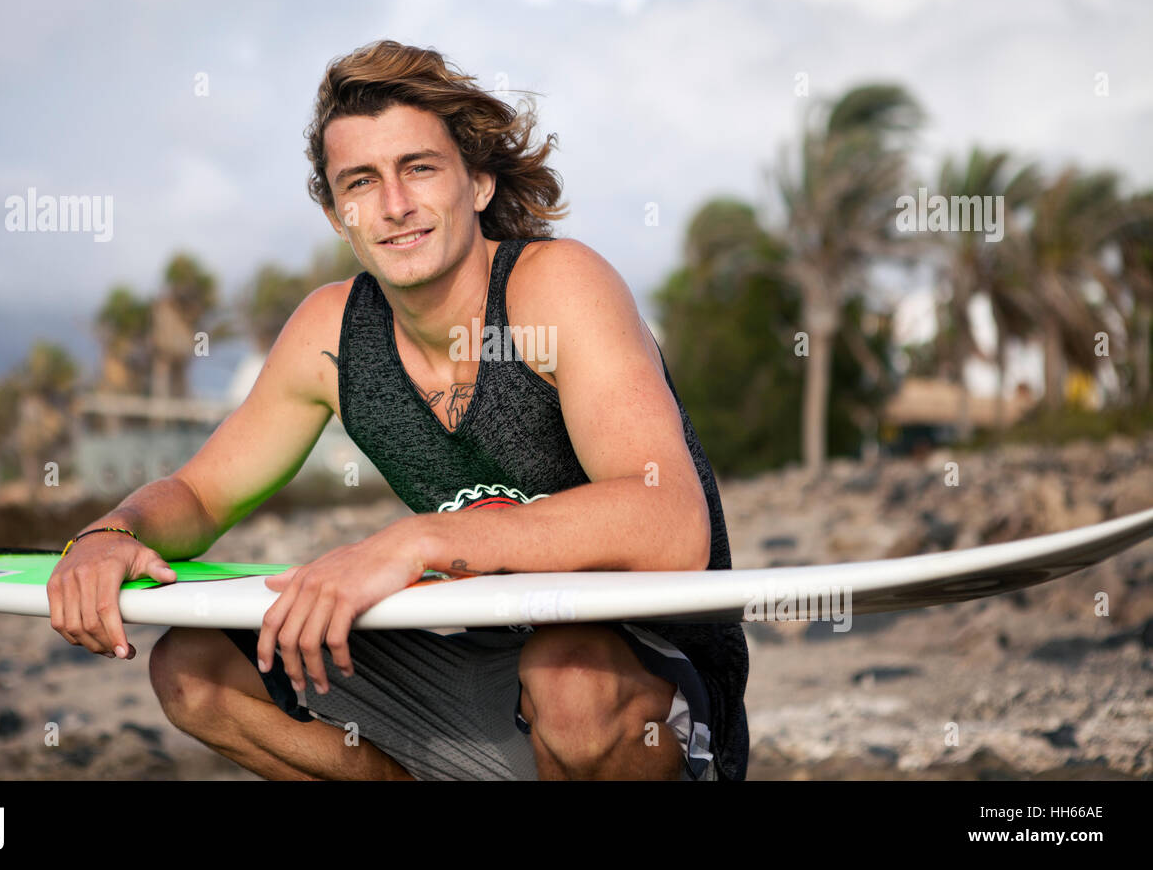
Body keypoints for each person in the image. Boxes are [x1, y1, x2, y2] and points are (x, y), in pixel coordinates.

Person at [48, 40, 749, 781]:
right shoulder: (330, 334)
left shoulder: (555, 288)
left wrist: (420, 542)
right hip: (491, 664)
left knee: (569, 678)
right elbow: (198, 493)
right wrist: (110, 533)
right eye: (361, 181)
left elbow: (670, 521)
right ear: (335, 214)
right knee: (194, 668)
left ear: (476, 183)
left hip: (648, 682)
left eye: (419, 167)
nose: (394, 204)